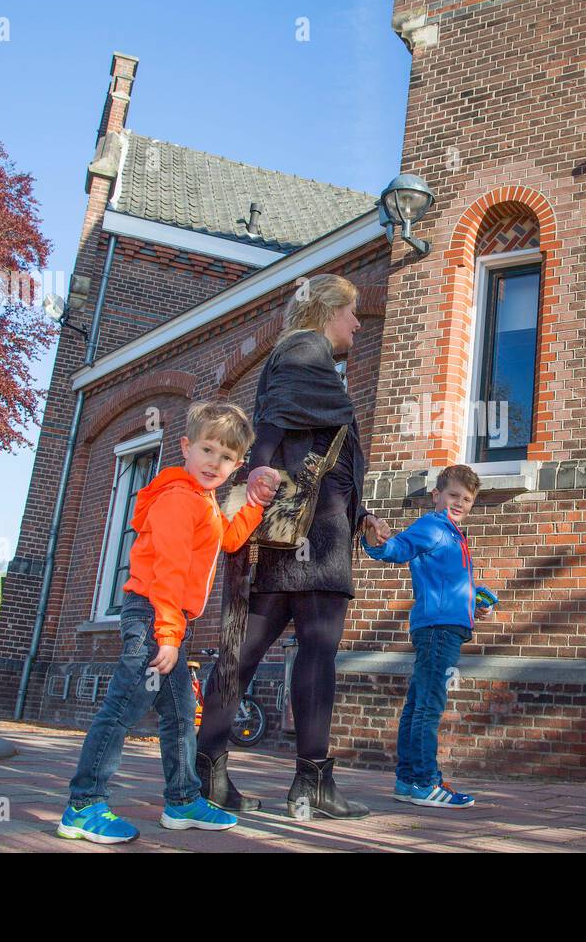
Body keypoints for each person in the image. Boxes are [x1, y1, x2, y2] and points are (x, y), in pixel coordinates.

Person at [196, 273, 384, 820]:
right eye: (350, 313)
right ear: (328, 312)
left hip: (287, 533)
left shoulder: (307, 358)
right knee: (316, 652)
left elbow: (319, 449)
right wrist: (258, 471)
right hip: (313, 537)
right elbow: (274, 419)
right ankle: (312, 786)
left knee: (242, 651)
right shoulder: (307, 350)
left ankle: (208, 773)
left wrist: (362, 514)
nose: (355, 322)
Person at [57, 401, 278, 844]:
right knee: (122, 709)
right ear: (186, 446)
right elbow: (168, 572)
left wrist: (253, 504)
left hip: (168, 619)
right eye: (208, 449)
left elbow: (229, 540)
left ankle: (181, 801)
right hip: (154, 615)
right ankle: (83, 805)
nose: (215, 463)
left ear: (238, 464)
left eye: (227, 457)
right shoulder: (180, 498)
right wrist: (169, 634)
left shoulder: (204, 500)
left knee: (179, 716)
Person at [362, 464, 492, 809]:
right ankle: (424, 781)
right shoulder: (434, 526)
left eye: (466, 499)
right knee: (428, 707)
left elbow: (448, 581)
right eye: (453, 495)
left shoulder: (453, 534)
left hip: (442, 627)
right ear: (437, 495)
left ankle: (407, 780)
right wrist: (376, 541)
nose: (459, 503)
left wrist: (474, 601)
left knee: (418, 704)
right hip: (438, 631)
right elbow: (398, 549)